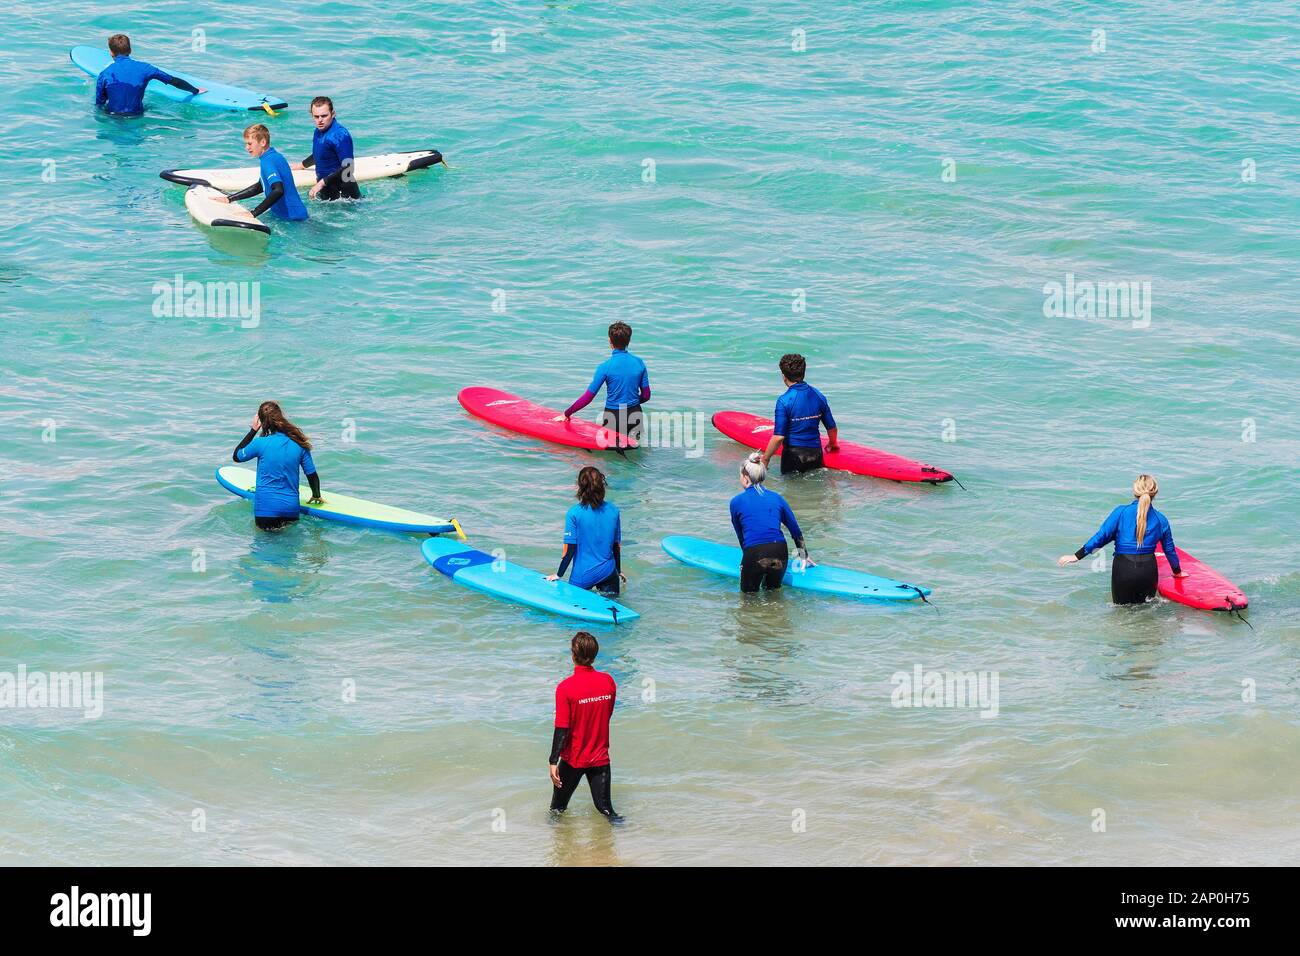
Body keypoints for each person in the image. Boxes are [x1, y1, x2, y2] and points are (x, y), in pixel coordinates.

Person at [1057, 474, 1188, 604]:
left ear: (1135, 491)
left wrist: (1077, 556)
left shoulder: (1120, 512)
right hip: (1149, 571)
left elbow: (1101, 537)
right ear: (1155, 493)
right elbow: (1169, 550)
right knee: (1147, 616)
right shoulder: (1161, 519)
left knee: (1121, 615)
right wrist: (1177, 572)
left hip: (1124, 569)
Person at [549, 631, 620, 821]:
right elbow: (607, 715)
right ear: (595, 655)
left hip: (573, 759)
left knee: (557, 810)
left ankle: (554, 848)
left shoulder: (565, 688)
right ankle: (629, 839)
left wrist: (553, 761)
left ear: (573, 655)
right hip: (600, 759)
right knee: (606, 810)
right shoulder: (608, 682)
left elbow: (562, 728)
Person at [555, 322, 650, 445]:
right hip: (635, 413)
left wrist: (567, 413)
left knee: (611, 456)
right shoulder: (639, 363)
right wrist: (632, 402)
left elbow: (588, 397)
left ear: (610, 341)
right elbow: (646, 395)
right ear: (629, 340)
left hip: (613, 417)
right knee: (633, 451)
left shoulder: (605, 367)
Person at [232, 401, 321, 530]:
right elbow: (312, 475)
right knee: (290, 546)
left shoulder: (260, 443)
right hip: (290, 509)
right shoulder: (299, 443)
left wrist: (253, 430)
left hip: (266, 509)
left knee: (265, 546)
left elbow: (237, 456)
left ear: (262, 421)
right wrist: (316, 495)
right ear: (281, 416)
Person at [729, 453, 810, 592]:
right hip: (779, 552)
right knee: (773, 595)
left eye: (740, 476)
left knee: (748, 600)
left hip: (755, 554)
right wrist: (804, 556)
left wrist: (747, 561)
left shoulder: (736, 502)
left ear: (746, 477)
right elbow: (795, 530)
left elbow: (741, 537)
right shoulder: (777, 498)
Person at [546, 467, 625, 595]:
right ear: (602, 485)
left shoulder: (574, 513)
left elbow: (570, 549)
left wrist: (559, 574)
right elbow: (617, 546)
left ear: (580, 487)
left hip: (583, 575)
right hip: (609, 573)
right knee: (612, 610)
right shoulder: (614, 511)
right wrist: (618, 570)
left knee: (574, 607)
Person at [760, 353, 838, 475]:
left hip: (793, 456)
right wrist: (833, 443)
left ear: (783, 376)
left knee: (792, 492)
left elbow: (779, 437)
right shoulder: (818, 395)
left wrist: (765, 458)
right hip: (816, 455)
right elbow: (832, 428)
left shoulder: (784, 401)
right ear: (803, 373)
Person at [212, 125, 309, 222]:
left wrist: (254, 213)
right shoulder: (272, 156)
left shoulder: (268, 161)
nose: (247, 147)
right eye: (246, 144)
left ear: (263, 142)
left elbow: (278, 190)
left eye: (250, 144)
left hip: (293, 219)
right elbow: (260, 186)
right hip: (287, 215)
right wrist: (230, 198)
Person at [93, 34, 206, 116]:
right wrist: (195, 90)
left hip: (113, 117)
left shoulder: (104, 74)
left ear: (111, 52)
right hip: (136, 115)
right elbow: (173, 81)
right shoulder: (146, 68)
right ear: (130, 50)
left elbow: (99, 103)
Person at [290, 96, 359, 201]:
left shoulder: (340, 134)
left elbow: (349, 167)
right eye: (316, 117)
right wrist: (302, 165)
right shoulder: (318, 131)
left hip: (345, 196)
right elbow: (321, 153)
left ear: (333, 113)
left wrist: (322, 183)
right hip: (327, 191)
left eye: (324, 116)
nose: (320, 120)